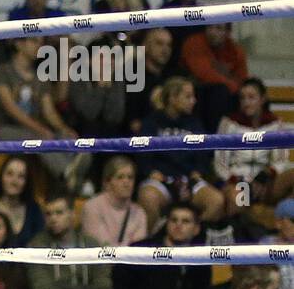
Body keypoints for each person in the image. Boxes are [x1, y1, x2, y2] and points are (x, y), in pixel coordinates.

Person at [0, 36, 88, 193]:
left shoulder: (40, 77)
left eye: (41, 43)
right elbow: (10, 108)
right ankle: (67, 173)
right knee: (40, 139)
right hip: (4, 130)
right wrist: (40, 129)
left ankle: (74, 170)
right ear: (19, 43)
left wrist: (64, 129)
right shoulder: (2, 71)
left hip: (34, 131)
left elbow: (49, 111)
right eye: (34, 41)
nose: (39, 46)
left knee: (66, 138)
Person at [136, 77, 224, 230]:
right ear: (172, 98)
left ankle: (192, 238)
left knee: (216, 201)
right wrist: (150, 171)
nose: (193, 101)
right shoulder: (152, 122)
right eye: (188, 96)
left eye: (193, 96)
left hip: (188, 179)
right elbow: (142, 153)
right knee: (148, 197)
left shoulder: (194, 123)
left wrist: (198, 172)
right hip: (162, 179)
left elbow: (202, 154)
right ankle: (153, 242)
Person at [215, 78, 294, 213]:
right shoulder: (229, 123)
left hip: (266, 182)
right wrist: (238, 180)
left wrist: (265, 176)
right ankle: (242, 230)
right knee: (240, 199)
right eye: (242, 98)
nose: (246, 102)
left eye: (251, 97)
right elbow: (220, 163)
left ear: (262, 99)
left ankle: (287, 221)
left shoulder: (275, 124)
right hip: (238, 180)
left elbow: (281, 160)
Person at [181, 23, 249, 132]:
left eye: (218, 28)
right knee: (218, 92)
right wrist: (232, 85)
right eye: (210, 27)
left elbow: (243, 79)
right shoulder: (194, 43)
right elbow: (204, 74)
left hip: (226, 100)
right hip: (198, 98)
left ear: (228, 32)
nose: (213, 32)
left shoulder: (235, 50)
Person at [81, 156, 149, 246]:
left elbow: (138, 250)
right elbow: (102, 246)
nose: (126, 182)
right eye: (120, 177)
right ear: (107, 182)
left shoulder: (139, 213)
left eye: (130, 177)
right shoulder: (92, 207)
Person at [0, 155, 44, 245]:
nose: (14, 181)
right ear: (1, 177)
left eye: (21, 176)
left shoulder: (34, 211)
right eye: (9, 174)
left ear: (27, 181)